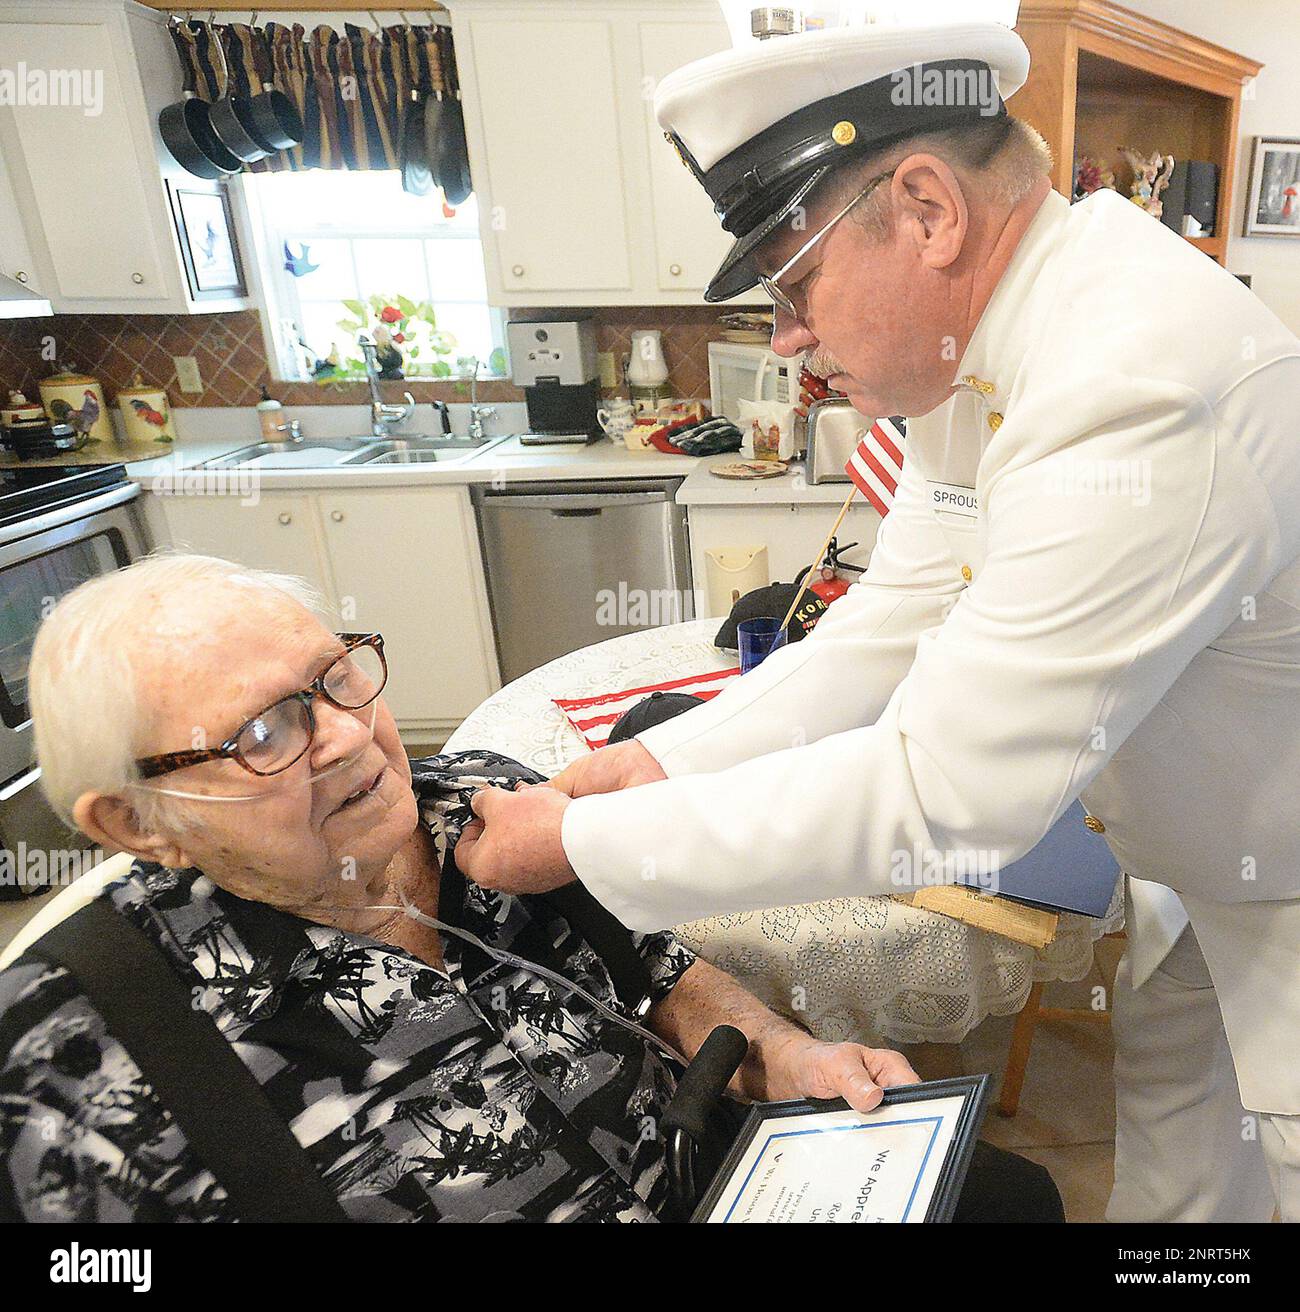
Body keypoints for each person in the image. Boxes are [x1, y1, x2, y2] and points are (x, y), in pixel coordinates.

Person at [452, 18, 1300, 1223]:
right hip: (1217, 848)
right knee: (1179, 1162)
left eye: (795, 285)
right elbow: (890, 618)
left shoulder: (1132, 388)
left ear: (926, 211)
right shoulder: (998, 342)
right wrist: (652, 763)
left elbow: (943, 791)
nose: (789, 339)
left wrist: (582, 848)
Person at [0, 553, 1059, 1222]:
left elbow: (665, 975)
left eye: (333, 679)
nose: (349, 738)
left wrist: (780, 1052)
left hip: (724, 1184)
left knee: (1011, 1198)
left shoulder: (492, 814)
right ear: (139, 822)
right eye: (263, 731)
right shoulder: (71, 1061)